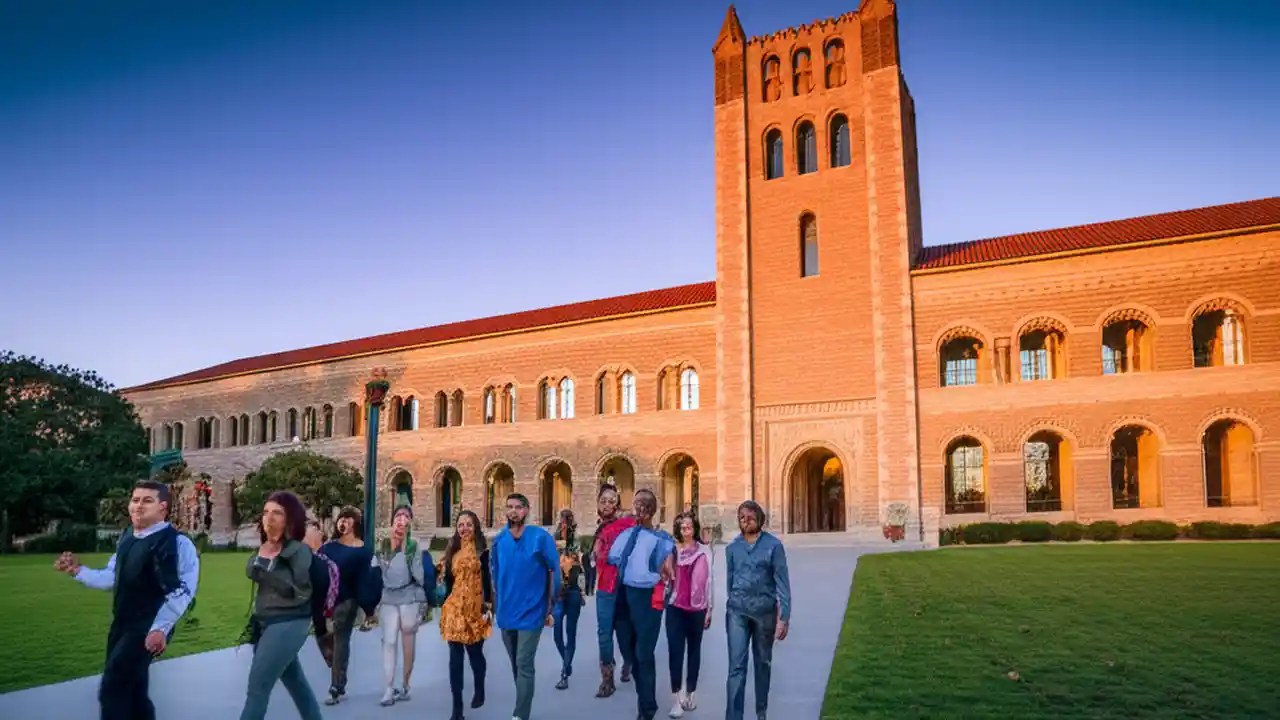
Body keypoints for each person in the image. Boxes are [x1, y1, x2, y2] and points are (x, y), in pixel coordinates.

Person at [55, 480, 200, 720]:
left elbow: (182, 590)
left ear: (162, 508)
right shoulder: (127, 538)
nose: (138, 506)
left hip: (147, 628)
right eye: (135, 500)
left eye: (147, 501)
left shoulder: (176, 543)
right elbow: (111, 577)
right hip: (122, 625)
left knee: (113, 689)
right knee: (135, 692)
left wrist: (160, 629)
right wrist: (78, 571)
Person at [239, 490, 324, 720]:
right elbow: (251, 571)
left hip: (289, 622)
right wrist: (263, 558)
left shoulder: (298, 551)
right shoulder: (266, 548)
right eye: (266, 512)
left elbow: (298, 591)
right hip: (265, 623)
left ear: (290, 518)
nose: (269, 518)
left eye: (277, 513)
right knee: (297, 684)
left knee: (257, 688)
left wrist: (265, 568)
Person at [489, 493, 560, 720]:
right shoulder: (500, 541)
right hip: (506, 613)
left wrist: (550, 608)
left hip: (532, 612)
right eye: (510, 507)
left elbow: (554, 571)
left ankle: (520, 715)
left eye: (519, 507)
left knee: (524, 663)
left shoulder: (540, 538)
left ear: (527, 510)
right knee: (516, 666)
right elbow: (494, 576)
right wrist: (492, 607)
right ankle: (523, 702)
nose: (514, 511)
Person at [608, 489, 676, 720]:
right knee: (628, 649)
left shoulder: (662, 539)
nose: (640, 508)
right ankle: (643, 694)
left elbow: (669, 566)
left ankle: (646, 708)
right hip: (624, 593)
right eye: (637, 503)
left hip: (647, 597)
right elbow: (612, 558)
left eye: (645, 504)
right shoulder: (626, 534)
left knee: (643, 652)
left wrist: (667, 569)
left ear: (652, 510)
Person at [724, 500, 792, 720]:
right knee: (736, 667)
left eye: (750, 517)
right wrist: (731, 602)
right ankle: (734, 716)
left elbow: (782, 583)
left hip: (765, 613)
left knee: (762, 663)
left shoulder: (773, 546)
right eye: (742, 517)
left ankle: (761, 711)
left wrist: (784, 617)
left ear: (759, 519)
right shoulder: (732, 548)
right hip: (737, 613)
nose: (746, 521)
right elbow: (730, 580)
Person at [375, 503, 434, 706]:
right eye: (398, 516)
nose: (401, 519)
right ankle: (388, 688)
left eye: (405, 516)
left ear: (409, 522)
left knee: (408, 640)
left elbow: (419, 576)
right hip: (388, 596)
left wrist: (408, 554)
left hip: (409, 596)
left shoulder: (413, 546)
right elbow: (377, 571)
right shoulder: (383, 544)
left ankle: (405, 684)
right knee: (389, 642)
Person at [316, 506, 375, 705]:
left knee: (341, 641)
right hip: (325, 602)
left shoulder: (362, 551)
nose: (344, 522)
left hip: (347, 601)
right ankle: (338, 670)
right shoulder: (328, 548)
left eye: (349, 519)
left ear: (356, 524)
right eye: (342, 518)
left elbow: (364, 581)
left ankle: (335, 685)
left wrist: (369, 610)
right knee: (323, 638)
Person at [438, 509, 492, 720]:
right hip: (455, 610)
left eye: (469, 524)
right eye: (461, 524)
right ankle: (457, 708)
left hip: (475, 610)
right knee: (455, 660)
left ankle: (479, 686)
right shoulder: (452, 550)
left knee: (475, 655)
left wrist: (488, 607)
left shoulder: (482, 552)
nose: (464, 528)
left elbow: (487, 581)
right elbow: (449, 582)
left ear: (475, 527)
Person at [665, 511, 714, 718]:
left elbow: (710, 581)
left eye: (689, 526)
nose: (685, 529)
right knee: (675, 652)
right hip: (675, 607)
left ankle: (690, 693)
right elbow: (664, 576)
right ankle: (676, 698)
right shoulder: (672, 550)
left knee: (694, 651)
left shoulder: (705, 550)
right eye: (682, 526)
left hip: (698, 608)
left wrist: (710, 608)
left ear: (694, 528)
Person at [592, 483, 637, 697]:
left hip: (624, 586)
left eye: (612, 500)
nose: (607, 504)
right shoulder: (600, 528)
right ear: (598, 504)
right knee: (604, 633)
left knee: (625, 631)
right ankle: (607, 680)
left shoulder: (627, 523)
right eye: (604, 500)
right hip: (604, 588)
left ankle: (629, 660)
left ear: (617, 503)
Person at [552, 548, 585, 690]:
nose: (563, 560)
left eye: (566, 558)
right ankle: (567, 662)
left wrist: (581, 593)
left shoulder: (577, 566)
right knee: (557, 635)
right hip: (559, 598)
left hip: (572, 596)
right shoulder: (555, 563)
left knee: (570, 634)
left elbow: (581, 582)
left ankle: (564, 672)